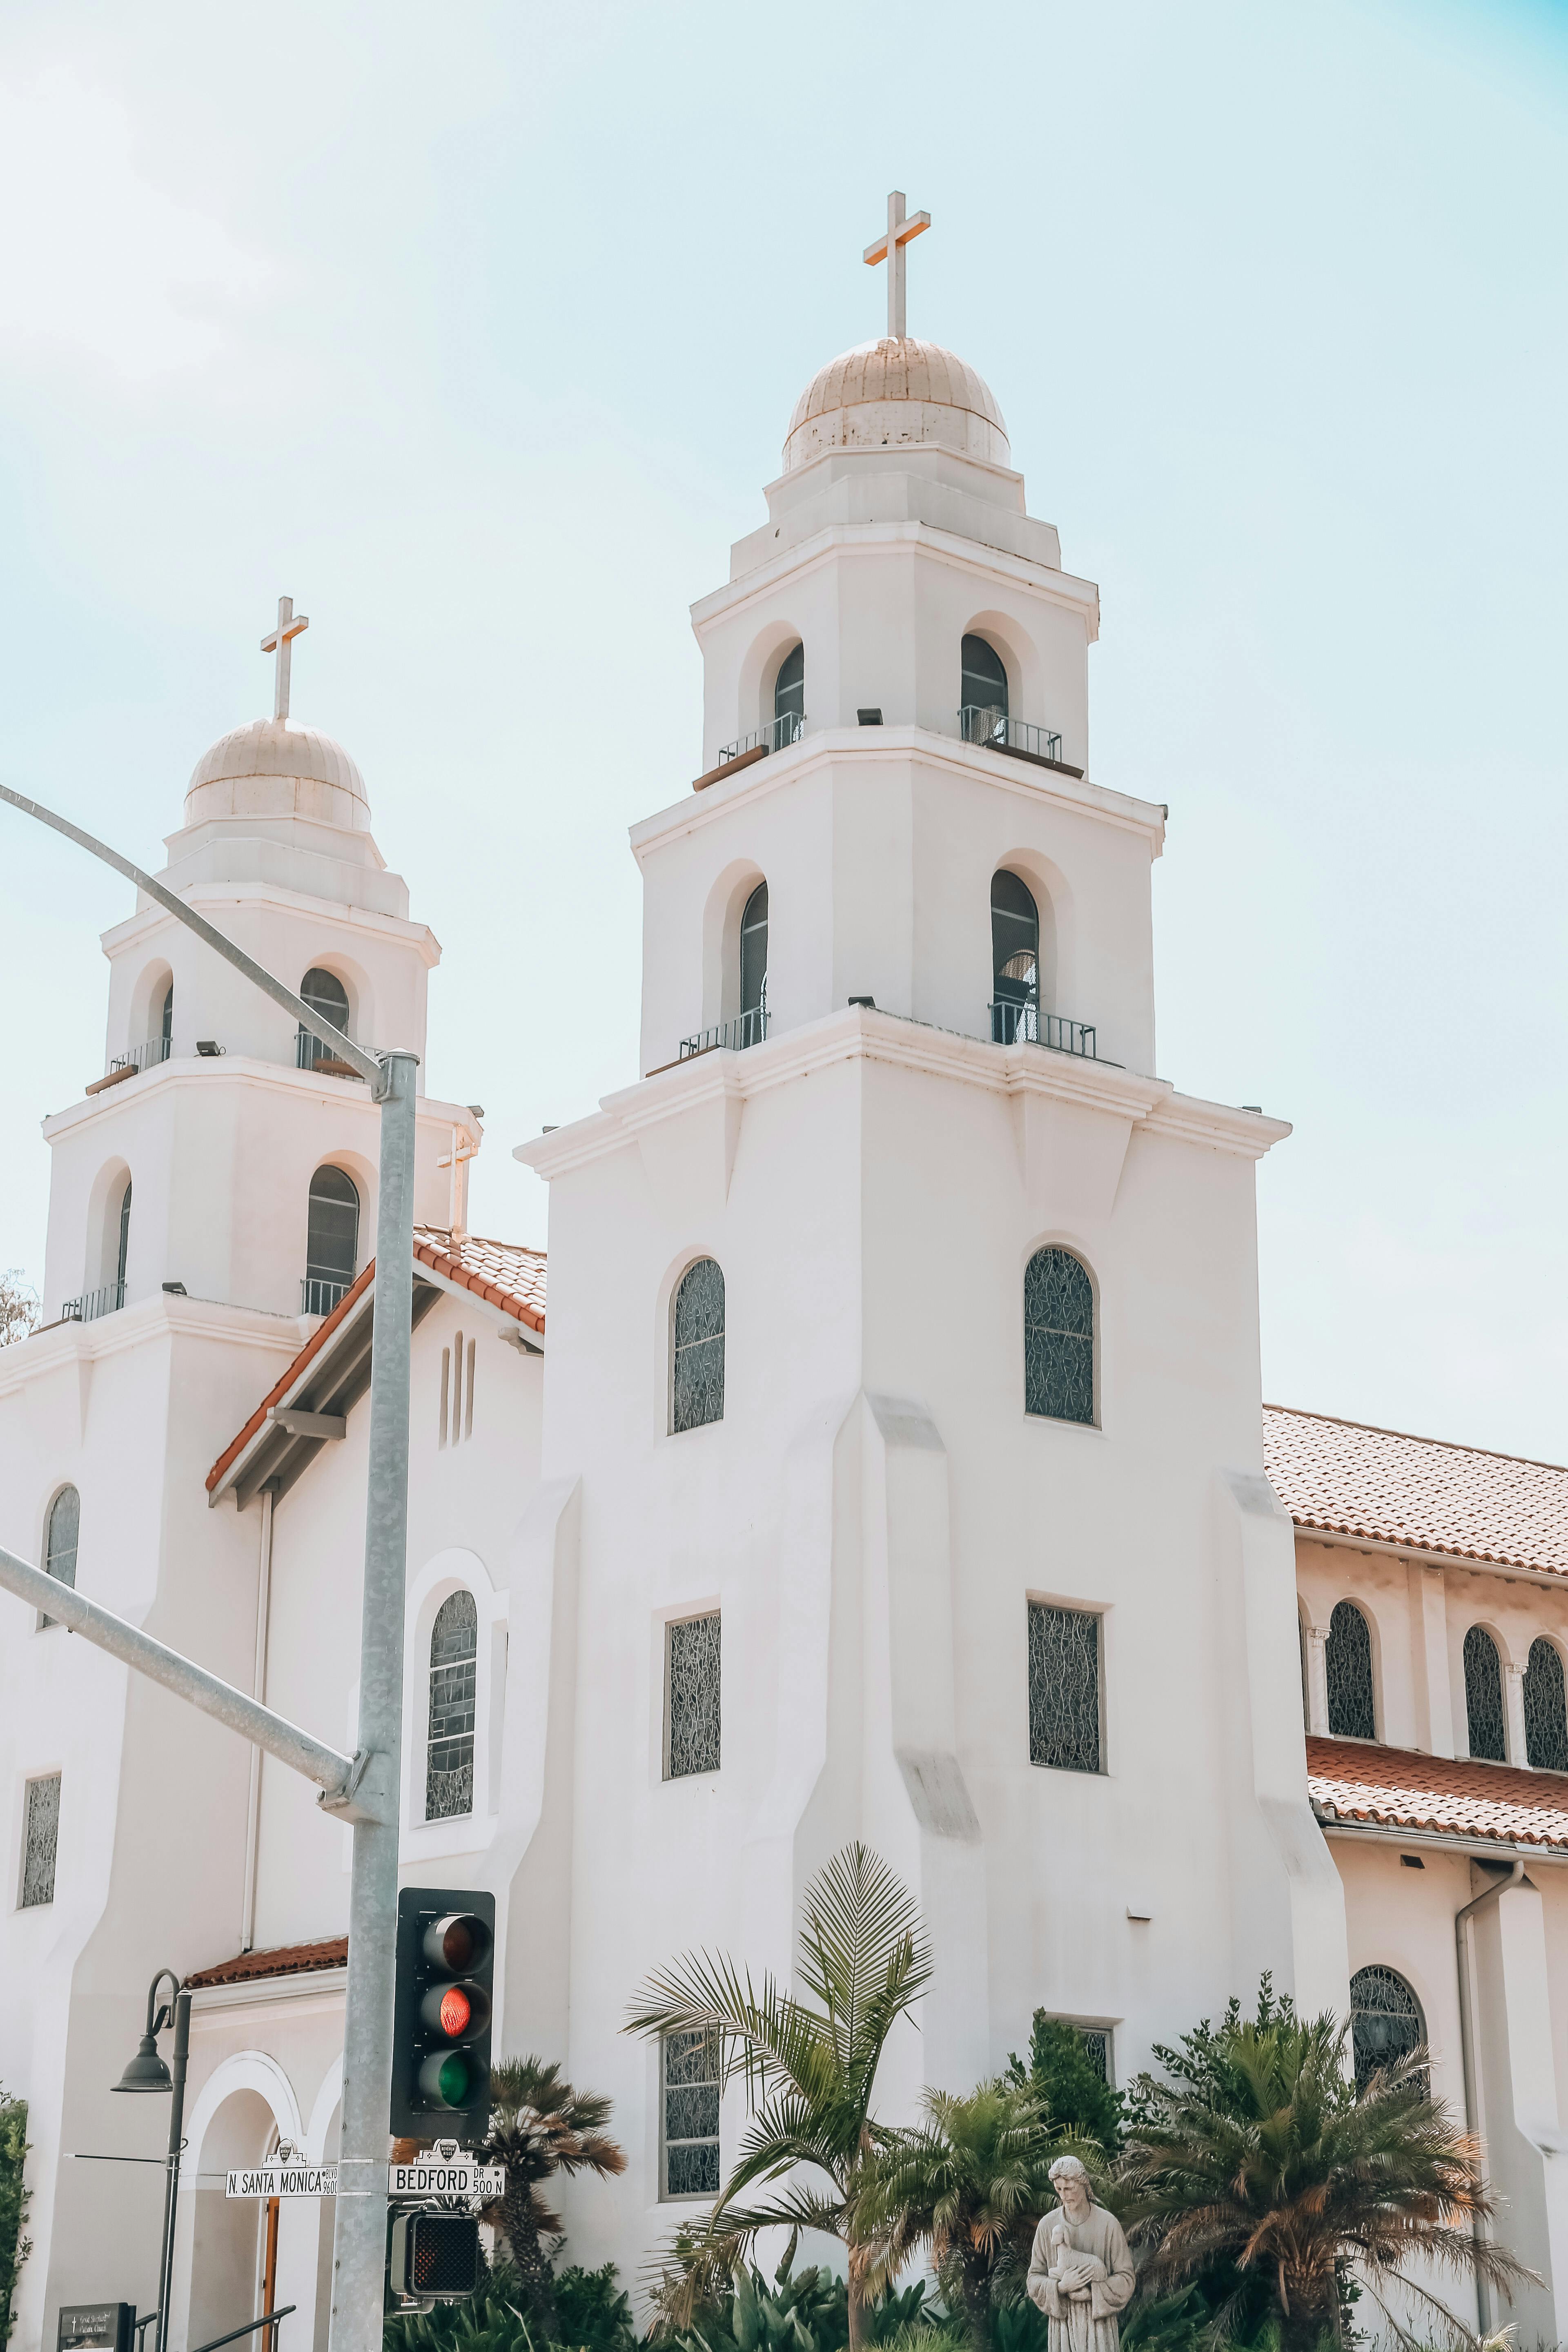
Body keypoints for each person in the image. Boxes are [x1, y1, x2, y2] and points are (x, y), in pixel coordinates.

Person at [1025, 2153, 1136, 2352]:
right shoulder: (1048, 2226)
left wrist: (1091, 2293)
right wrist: (1061, 2288)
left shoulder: (1108, 2224)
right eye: (1059, 2189)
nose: (1064, 2196)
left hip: (1099, 2330)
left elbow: (1127, 2280)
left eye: (1069, 2189)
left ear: (1083, 2184)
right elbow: (1034, 2279)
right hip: (1063, 2329)